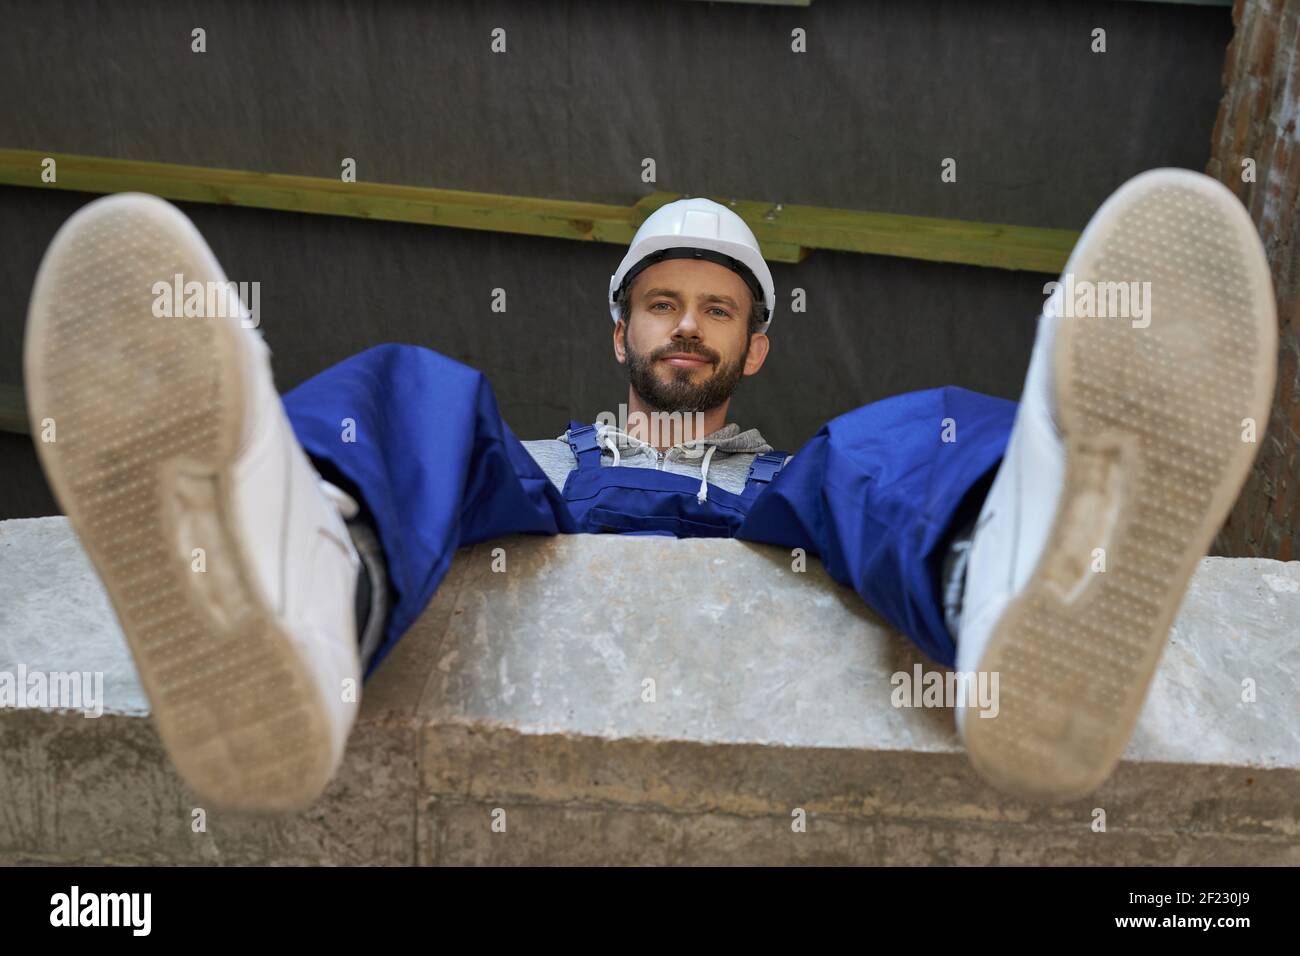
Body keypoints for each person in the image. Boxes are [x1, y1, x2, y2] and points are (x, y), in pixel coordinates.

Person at [22, 170, 1276, 814]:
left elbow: (851, 474)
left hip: (778, 519)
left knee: (886, 442)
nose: (687, 328)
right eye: (662, 304)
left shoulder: (813, 479)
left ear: (755, 346)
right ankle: (296, 588)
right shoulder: (534, 466)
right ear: (618, 329)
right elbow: (466, 453)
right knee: (428, 397)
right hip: (550, 517)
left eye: (718, 310)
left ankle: (1010, 578)